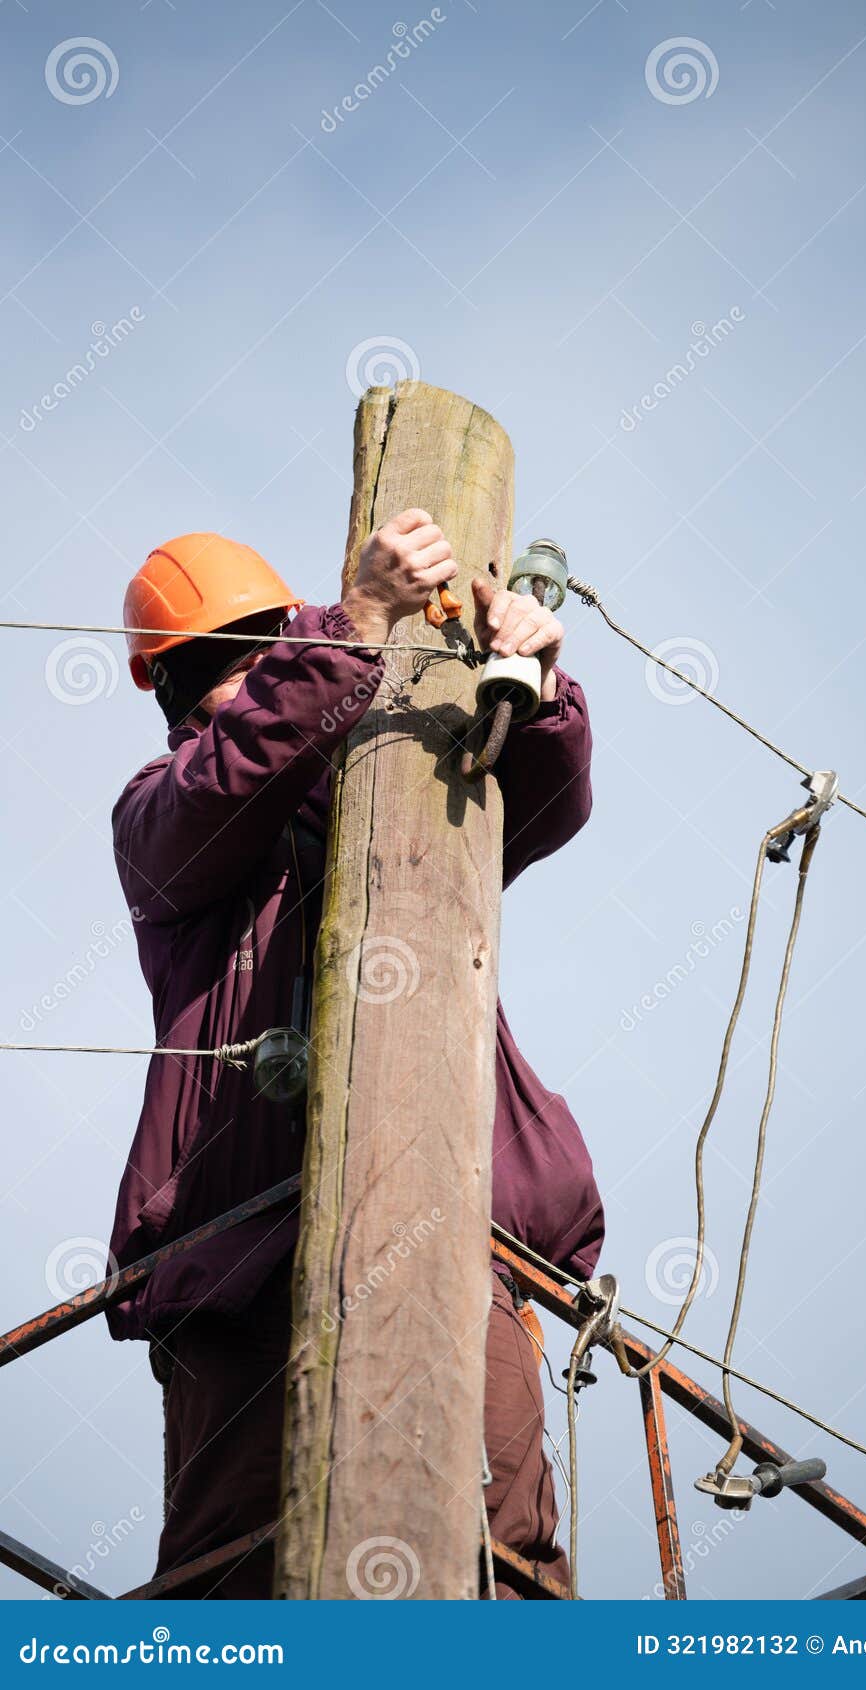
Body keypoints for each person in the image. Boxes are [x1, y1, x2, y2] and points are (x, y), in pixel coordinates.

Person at [106, 514, 604, 1598]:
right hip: (242, 1265)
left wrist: (535, 685)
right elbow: (222, 787)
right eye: (236, 665)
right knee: (229, 1580)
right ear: (183, 694)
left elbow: (546, 800)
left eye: (271, 653)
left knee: (502, 1565)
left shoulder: (379, 785)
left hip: (455, 1243)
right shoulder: (161, 814)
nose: (256, 682)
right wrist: (356, 627)